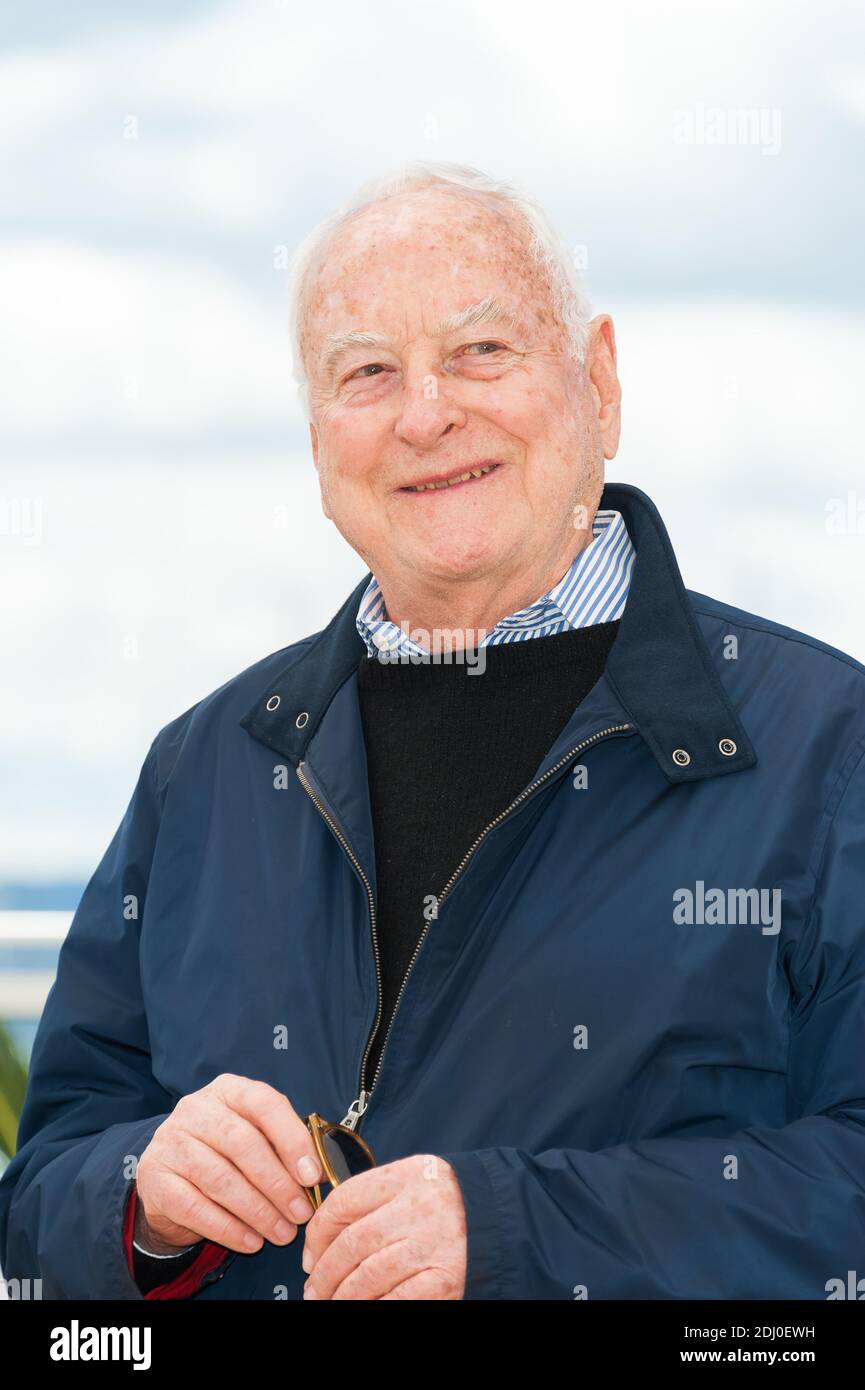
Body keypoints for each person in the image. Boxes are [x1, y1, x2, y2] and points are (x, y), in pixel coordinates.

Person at [2, 162, 864, 1301]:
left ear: (597, 382)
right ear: (319, 442)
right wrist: (141, 1201)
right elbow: (39, 1199)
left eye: (480, 351)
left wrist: (526, 1234)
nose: (424, 412)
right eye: (367, 371)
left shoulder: (826, 747)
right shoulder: (206, 767)